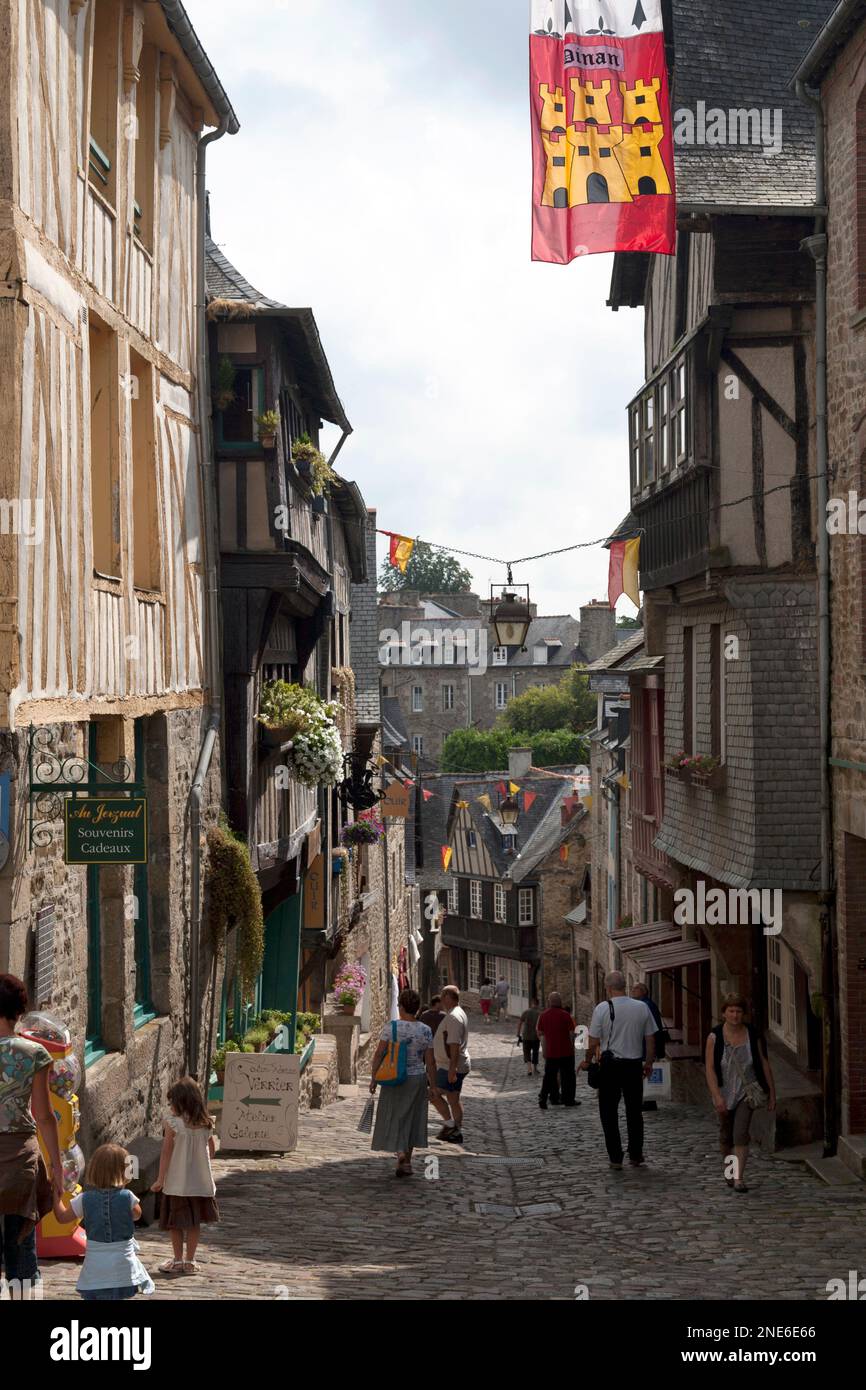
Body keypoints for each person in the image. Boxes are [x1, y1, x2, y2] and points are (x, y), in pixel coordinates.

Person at [0, 975, 64, 1298]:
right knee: (21, 1245)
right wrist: (57, 1167)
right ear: (19, 1012)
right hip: (21, 1161)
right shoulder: (34, 1053)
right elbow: (44, 1116)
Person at [52, 1144, 154, 1301]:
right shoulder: (127, 1197)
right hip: (122, 1268)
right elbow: (136, 1215)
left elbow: (62, 1217)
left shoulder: (84, 1199)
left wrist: (56, 1196)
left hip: (96, 1269)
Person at [584, 971, 656, 1167]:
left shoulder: (602, 1008)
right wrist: (649, 1063)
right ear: (625, 986)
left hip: (610, 1066)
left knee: (608, 1112)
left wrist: (587, 1060)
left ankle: (615, 1157)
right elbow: (650, 1038)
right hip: (633, 1066)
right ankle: (635, 1154)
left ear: (608, 988)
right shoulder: (641, 1007)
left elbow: (593, 1041)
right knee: (634, 1111)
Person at [705, 994, 776, 1193]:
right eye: (731, 1011)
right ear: (724, 1013)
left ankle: (738, 1178)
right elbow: (710, 1068)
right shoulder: (714, 1037)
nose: (735, 1015)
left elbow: (764, 1063)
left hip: (747, 1091)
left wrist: (772, 1093)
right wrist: (716, 1096)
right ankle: (729, 1171)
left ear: (743, 1014)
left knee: (740, 1133)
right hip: (724, 1091)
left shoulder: (753, 1034)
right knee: (726, 1135)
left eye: (738, 1011)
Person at [151, 1077, 218, 1275]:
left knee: (176, 1223)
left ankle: (178, 1260)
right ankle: (190, 1261)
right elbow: (212, 1152)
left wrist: (160, 1179)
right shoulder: (207, 1124)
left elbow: (166, 1152)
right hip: (200, 1183)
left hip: (177, 1183)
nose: (170, 1106)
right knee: (194, 1223)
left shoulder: (173, 1124)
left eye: (172, 1102)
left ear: (181, 1102)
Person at [369, 988, 437, 1177]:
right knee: (413, 1117)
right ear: (417, 1008)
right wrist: (433, 1086)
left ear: (401, 1007)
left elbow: (379, 1054)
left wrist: (374, 1077)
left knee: (394, 1114)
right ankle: (406, 1161)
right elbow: (430, 1061)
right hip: (417, 1078)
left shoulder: (391, 1027)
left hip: (393, 1076)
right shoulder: (425, 1030)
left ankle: (399, 1152)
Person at [430, 985, 471, 1144]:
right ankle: (456, 1131)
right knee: (453, 1099)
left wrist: (452, 1070)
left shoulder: (454, 1017)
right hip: (454, 1064)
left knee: (433, 1094)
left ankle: (450, 1125)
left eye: (442, 996)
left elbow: (454, 1045)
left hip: (450, 1066)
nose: (441, 999)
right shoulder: (457, 1013)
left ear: (448, 996)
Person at [537, 992, 579, 1109]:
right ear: (560, 1002)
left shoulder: (543, 1015)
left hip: (551, 1052)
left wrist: (544, 1050)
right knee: (568, 1076)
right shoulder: (566, 1015)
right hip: (566, 1052)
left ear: (549, 1002)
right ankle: (568, 1100)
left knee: (549, 1077)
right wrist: (572, 1047)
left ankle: (545, 1099)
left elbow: (541, 1034)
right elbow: (571, 1034)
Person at [631, 981, 667, 1112]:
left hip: (646, 1045)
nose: (633, 991)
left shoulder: (646, 1005)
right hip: (644, 1044)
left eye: (635, 989)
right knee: (645, 1072)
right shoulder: (644, 1004)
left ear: (643, 991)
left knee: (646, 1072)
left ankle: (649, 1102)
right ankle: (647, 1101)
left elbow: (652, 1029)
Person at [518, 998, 541, 1076]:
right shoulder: (539, 1014)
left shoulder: (526, 1012)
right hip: (535, 1036)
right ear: (538, 1004)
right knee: (535, 1052)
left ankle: (529, 1068)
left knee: (527, 1052)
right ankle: (535, 1068)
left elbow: (520, 1023)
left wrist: (518, 1033)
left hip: (526, 1036)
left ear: (532, 1003)